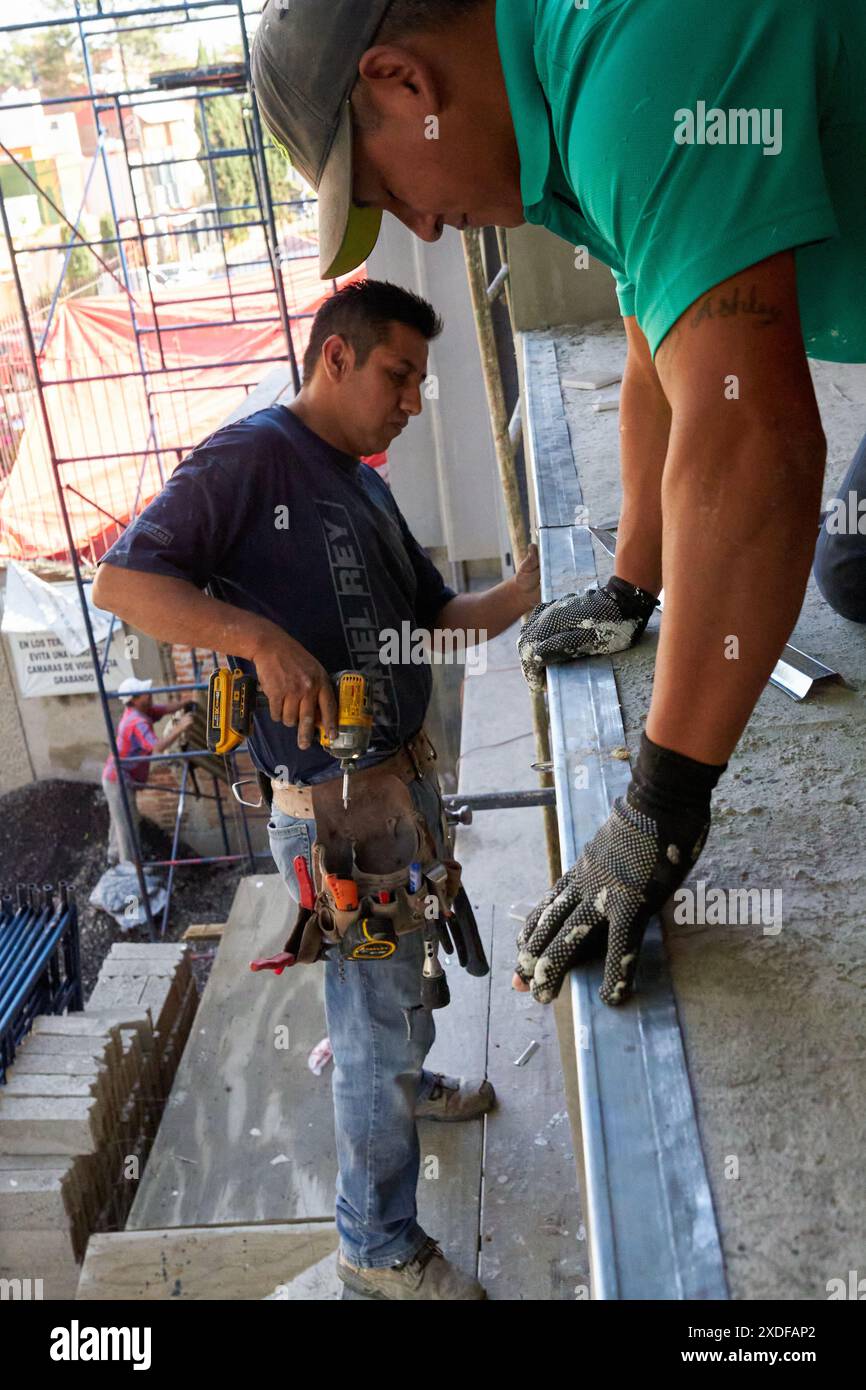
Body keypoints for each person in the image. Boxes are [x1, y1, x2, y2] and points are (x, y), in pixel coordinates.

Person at [251, 0, 866, 1006]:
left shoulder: (636, 66)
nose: (419, 224)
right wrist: (630, 585)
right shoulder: (566, 78)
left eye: (384, 189)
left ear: (400, 81)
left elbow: (752, 444)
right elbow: (654, 363)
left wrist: (655, 807)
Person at [92, 279, 541, 1300]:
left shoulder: (361, 482)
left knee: (397, 983)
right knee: (378, 1001)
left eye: (421, 381)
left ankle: (398, 1076)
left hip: (401, 789)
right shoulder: (251, 457)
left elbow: (440, 620)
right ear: (333, 358)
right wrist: (254, 637)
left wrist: (518, 594)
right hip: (332, 810)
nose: (412, 399)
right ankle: (373, 1242)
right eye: (397, 374)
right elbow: (123, 581)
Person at [101, 676, 194, 865]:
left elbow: (166, 709)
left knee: (121, 818)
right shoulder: (137, 722)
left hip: (120, 777)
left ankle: (112, 860)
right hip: (117, 779)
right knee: (127, 824)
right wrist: (181, 727)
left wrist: (188, 701)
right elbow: (157, 747)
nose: (149, 695)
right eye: (145, 693)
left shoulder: (142, 711)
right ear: (134, 699)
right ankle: (129, 869)